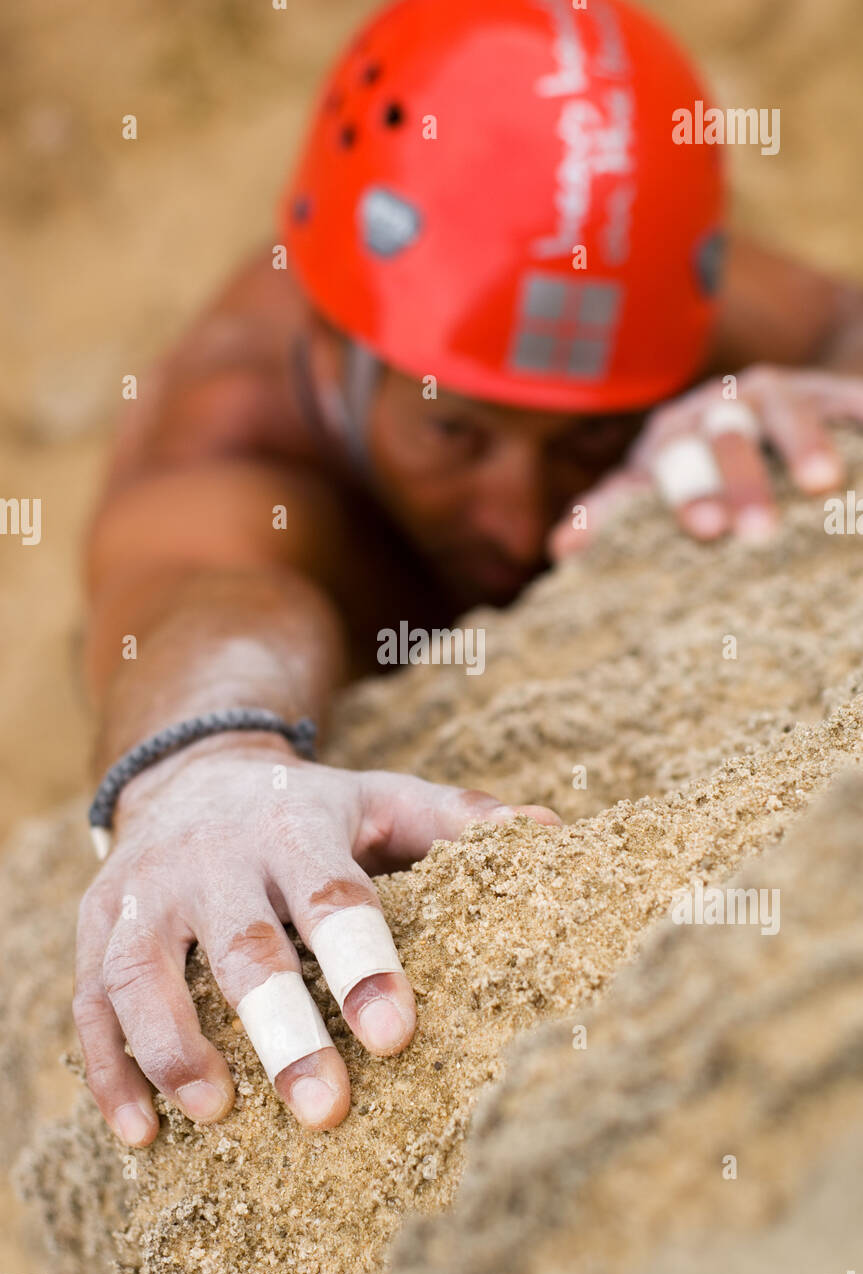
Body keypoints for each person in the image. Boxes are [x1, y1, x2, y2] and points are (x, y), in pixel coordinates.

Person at [76, 0, 863, 1145]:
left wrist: (781, 400)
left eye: (586, 441)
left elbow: (839, 325)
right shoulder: (235, 427)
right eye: (455, 435)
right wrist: (201, 757)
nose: (519, 512)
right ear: (335, 348)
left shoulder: (629, 303)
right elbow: (198, 591)